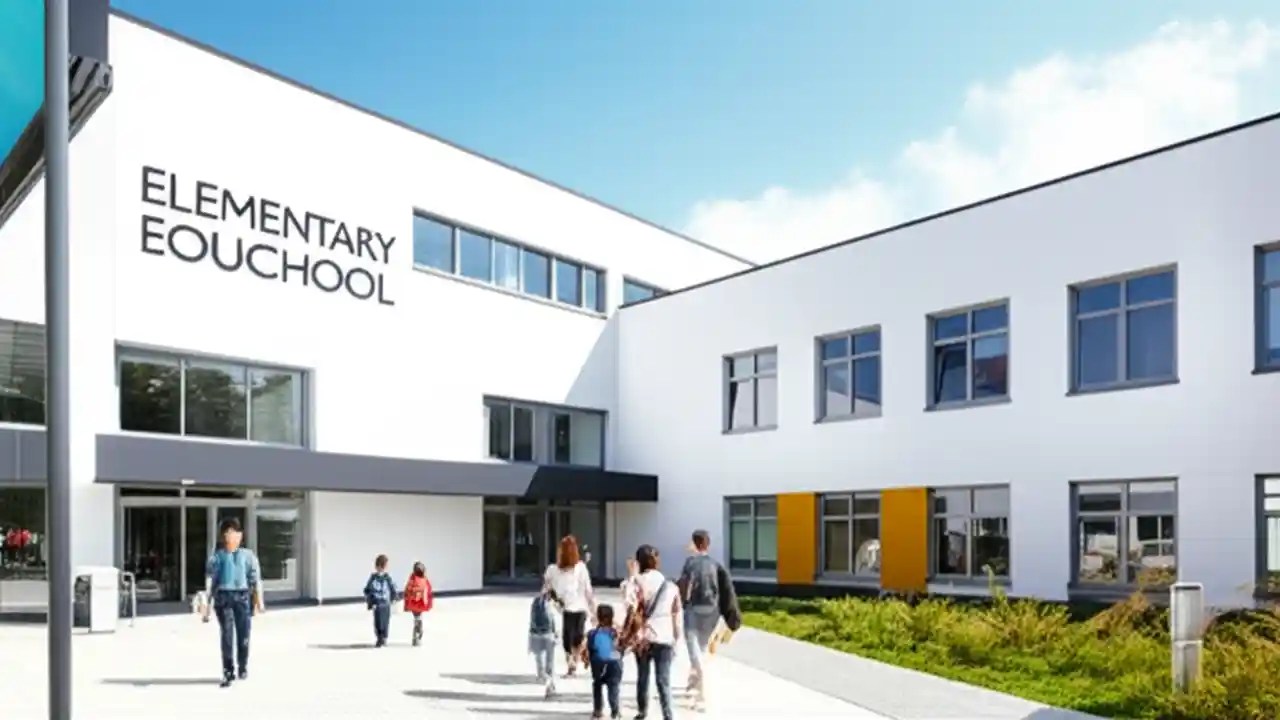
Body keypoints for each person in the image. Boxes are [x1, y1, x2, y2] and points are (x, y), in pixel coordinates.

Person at [676, 529, 741, 712]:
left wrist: (679, 606)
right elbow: (726, 589)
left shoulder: (690, 563)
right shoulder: (715, 564)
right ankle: (693, 686)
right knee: (702, 648)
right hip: (712, 611)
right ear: (708, 544)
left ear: (694, 543)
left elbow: (683, 586)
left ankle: (702, 693)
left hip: (693, 609)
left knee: (694, 652)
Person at [201, 517, 264, 688]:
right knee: (227, 634)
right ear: (223, 536)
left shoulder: (247, 556)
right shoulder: (217, 557)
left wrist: (259, 601)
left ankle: (242, 665)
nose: (231, 536)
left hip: (242, 597)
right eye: (227, 533)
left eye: (234, 533)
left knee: (244, 634)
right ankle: (228, 670)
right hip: (223, 598)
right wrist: (206, 605)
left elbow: (255, 578)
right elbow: (210, 581)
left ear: (240, 535)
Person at [630, 544, 682, 720]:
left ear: (639, 562)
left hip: (642, 637)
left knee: (643, 676)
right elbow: (676, 614)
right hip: (664, 636)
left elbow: (630, 608)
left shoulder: (636, 582)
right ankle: (668, 715)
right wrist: (677, 638)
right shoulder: (670, 586)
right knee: (663, 680)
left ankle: (642, 711)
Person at [543, 535, 595, 676]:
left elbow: (546, 589)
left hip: (565, 608)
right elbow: (588, 590)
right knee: (577, 637)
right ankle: (575, 660)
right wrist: (593, 610)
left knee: (567, 638)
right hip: (580, 607)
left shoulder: (553, 570)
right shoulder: (581, 568)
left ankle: (571, 663)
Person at [587, 604, 623, 719]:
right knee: (614, 687)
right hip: (615, 664)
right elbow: (621, 648)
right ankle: (615, 710)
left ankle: (598, 710)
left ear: (598, 617)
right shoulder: (615, 633)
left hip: (598, 665)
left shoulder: (592, 633)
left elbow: (590, 648)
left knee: (597, 685)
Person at [529, 587, 561, 699]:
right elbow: (554, 621)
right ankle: (550, 682)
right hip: (548, 635)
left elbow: (531, 619)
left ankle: (544, 678)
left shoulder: (535, 602)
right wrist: (556, 634)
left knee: (539, 660)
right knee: (550, 661)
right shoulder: (552, 604)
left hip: (535, 634)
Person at [363, 554, 399, 648]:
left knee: (385, 621)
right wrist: (370, 601)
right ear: (377, 566)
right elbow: (367, 590)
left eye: (383, 567)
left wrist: (394, 598)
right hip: (377, 602)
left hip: (386, 603)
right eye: (380, 566)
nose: (381, 569)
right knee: (378, 621)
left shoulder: (387, 578)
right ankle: (379, 637)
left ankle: (384, 637)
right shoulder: (373, 578)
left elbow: (393, 588)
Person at [403, 561, 433, 647]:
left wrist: (406, 605)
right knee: (418, 618)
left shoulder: (412, 580)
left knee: (416, 618)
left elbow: (407, 591)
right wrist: (429, 605)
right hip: (422, 604)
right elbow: (429, 593)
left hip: (413, 604)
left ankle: (416, 637)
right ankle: (418, 637)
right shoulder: (425, 580)